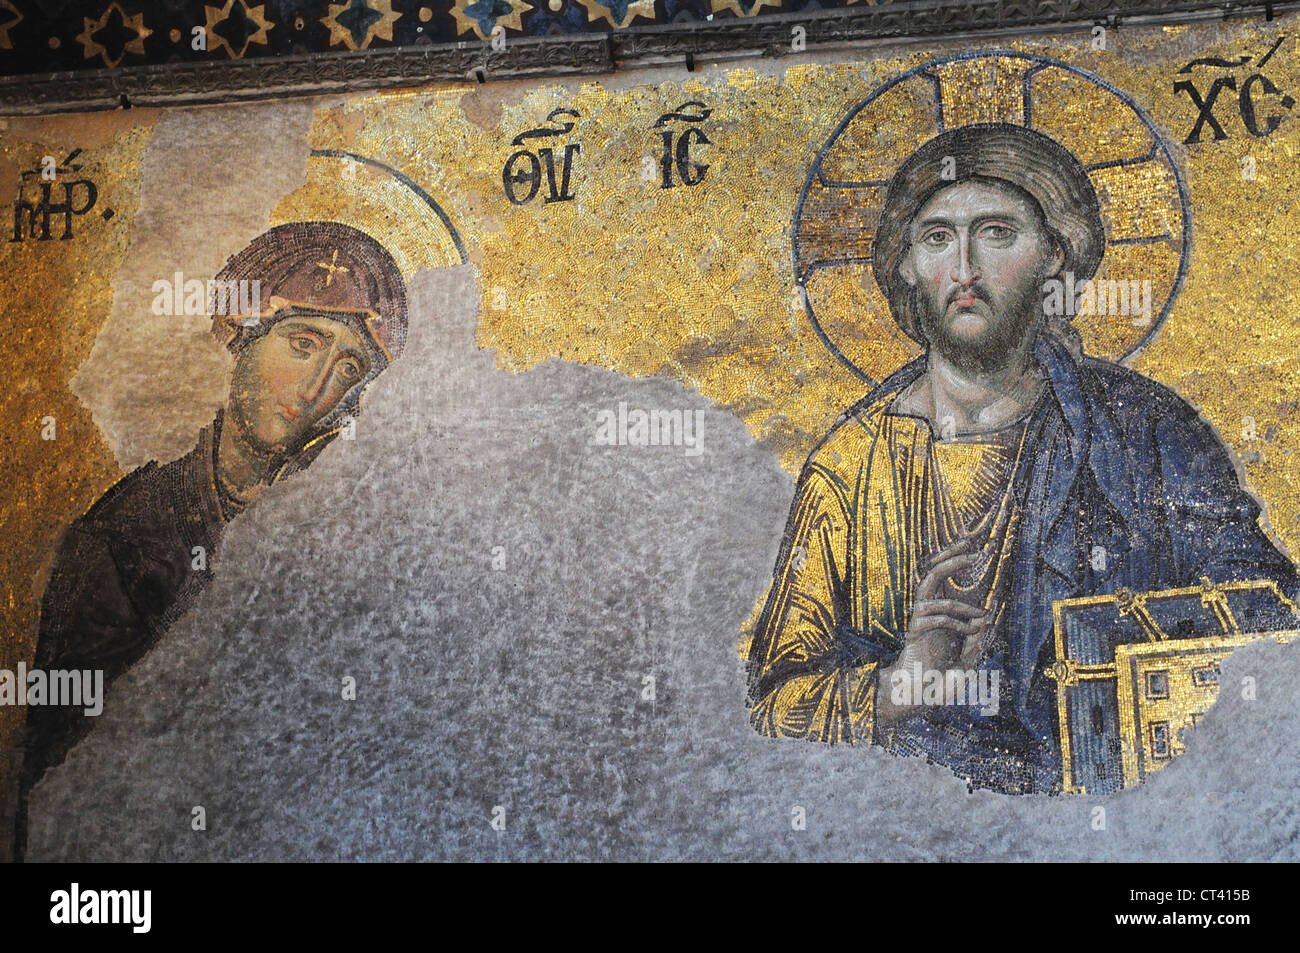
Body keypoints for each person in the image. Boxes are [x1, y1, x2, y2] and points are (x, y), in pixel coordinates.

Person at [745, 123, 1299, 794]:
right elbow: (770, 707)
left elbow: (1272, 627)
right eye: (937, 237)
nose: (965, 268)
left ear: (1056, 257)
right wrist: (904, 680)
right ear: (907, 266)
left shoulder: (1147, 431)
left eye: (998, 232)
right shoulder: (850, 468)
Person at [13, 220, 408, 859]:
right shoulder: (125, 535)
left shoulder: (344, 528)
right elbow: (63, 778)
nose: (314, 390)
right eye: (303, 344)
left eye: (348, 367)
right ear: (242, 333)